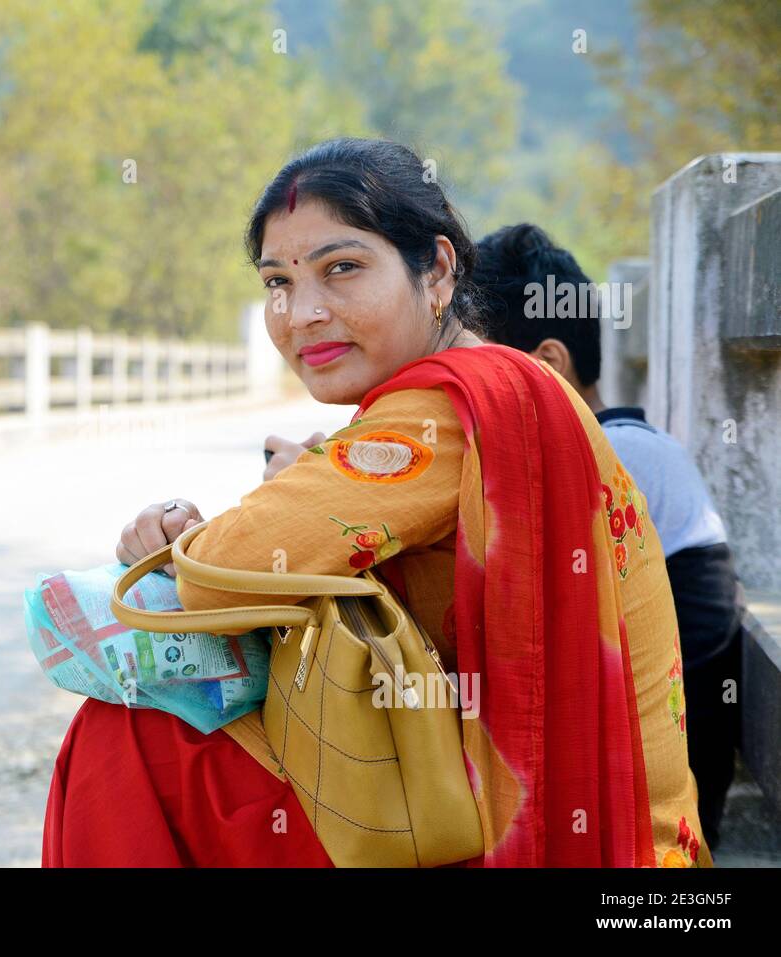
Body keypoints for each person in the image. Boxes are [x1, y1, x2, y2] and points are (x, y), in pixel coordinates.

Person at [41, 137, 710, 867]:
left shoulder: (450, 408)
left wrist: (185, 539)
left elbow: (222, 571)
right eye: (278, 283)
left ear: (439, 272)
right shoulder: (494, 391)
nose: (301, 313)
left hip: (548, 830)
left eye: (343, 269)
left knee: (129, 739)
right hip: (590, 808)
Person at [470, 223, 743, 849]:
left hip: (652, 799)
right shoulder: (626, 443)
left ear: (545, 365)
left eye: (476, 374)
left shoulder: (615, 456)